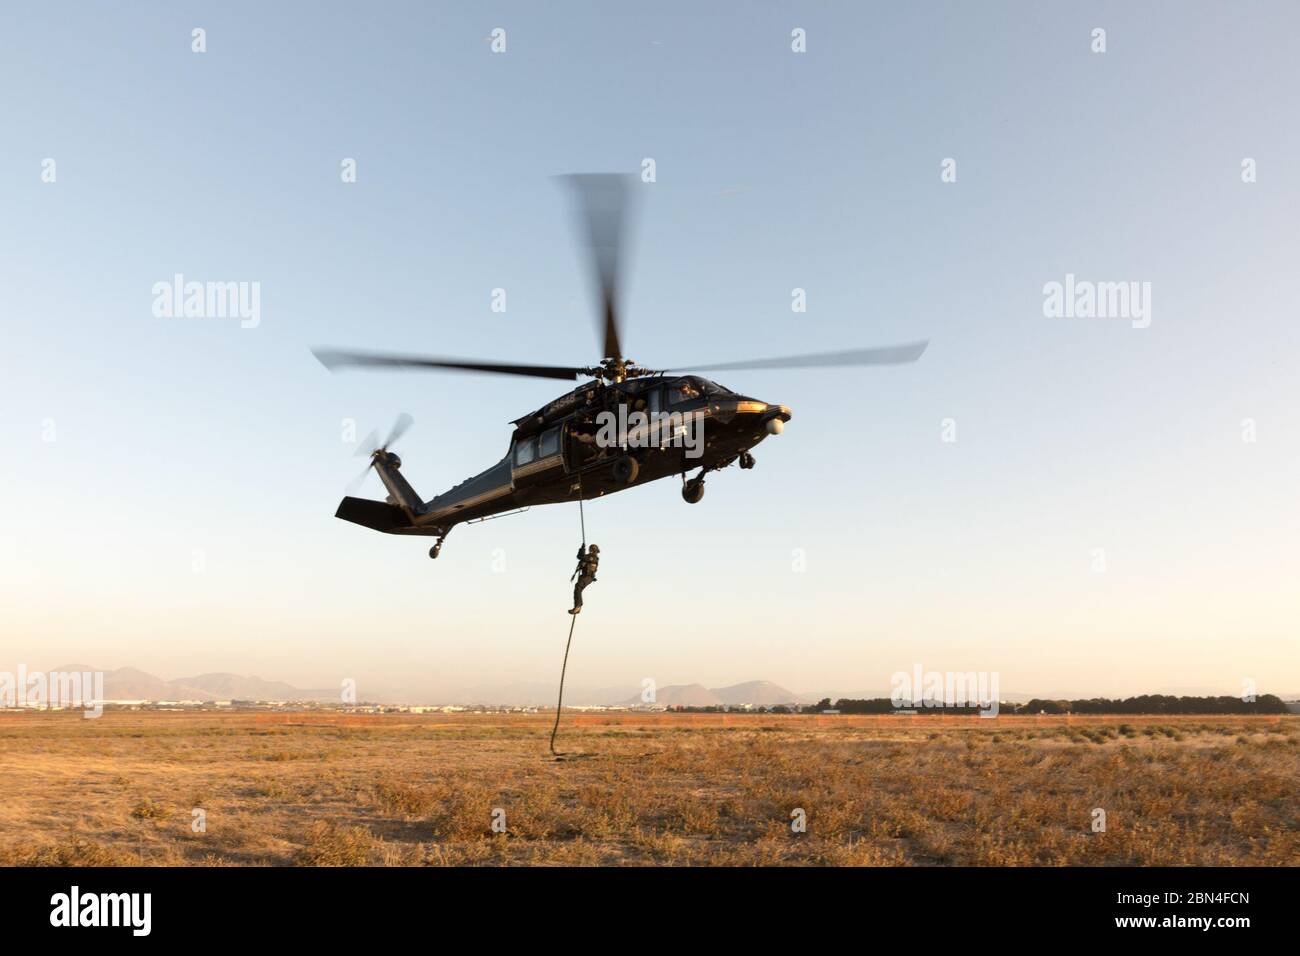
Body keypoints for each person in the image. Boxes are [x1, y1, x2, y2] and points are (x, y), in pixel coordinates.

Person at [569, 543, 600, 614]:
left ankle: (578, 606)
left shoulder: (593, 557)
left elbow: (581, 557)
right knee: (577, 589)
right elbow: (581, 557)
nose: (592, 551)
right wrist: (582, 549)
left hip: (588, 577)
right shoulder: (590, 557)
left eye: (592, 550)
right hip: (585, 576)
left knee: (578, 587)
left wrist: (582, 549)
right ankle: (577, 606)